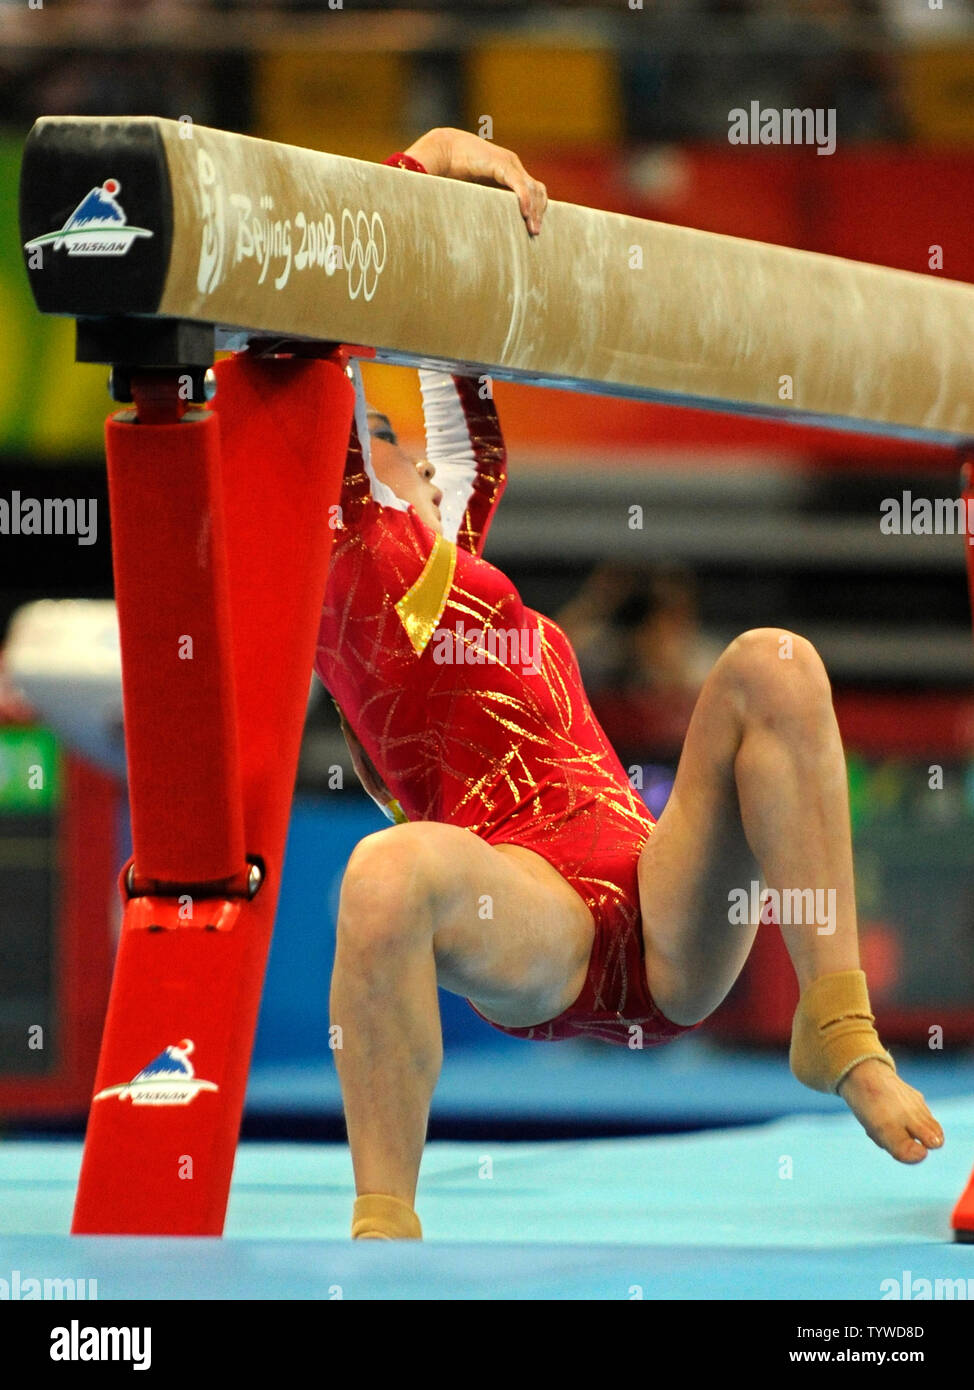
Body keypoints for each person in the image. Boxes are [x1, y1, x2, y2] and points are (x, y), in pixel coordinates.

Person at [314, 127, 944, 1242]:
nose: (392, 446)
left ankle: (837, 1027)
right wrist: (413, 173)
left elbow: (444, 361)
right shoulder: (349, 562)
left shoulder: (447, 559)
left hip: (659, 904)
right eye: (373, 438)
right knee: (383, 875)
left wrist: (459, 164)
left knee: (771, 665)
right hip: (527, 908)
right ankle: (384, 1231)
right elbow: (320, 312)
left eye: (394, 438)